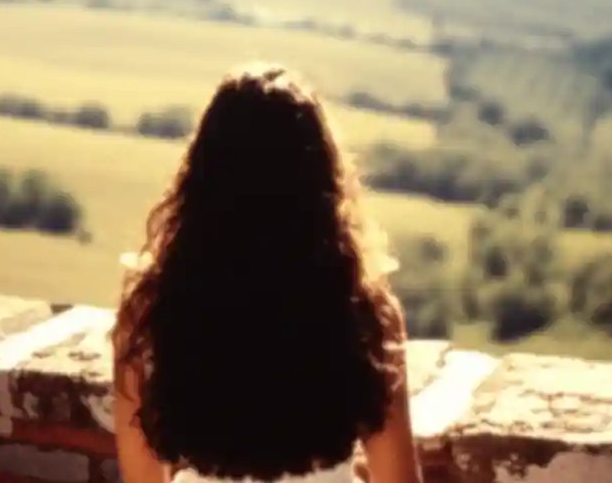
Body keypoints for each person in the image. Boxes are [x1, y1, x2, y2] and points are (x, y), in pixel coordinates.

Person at [112, 64, 422, 483]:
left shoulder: (149, 310)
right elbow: (397, 479)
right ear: (321, 182)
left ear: (202, 175)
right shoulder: (366, 313)